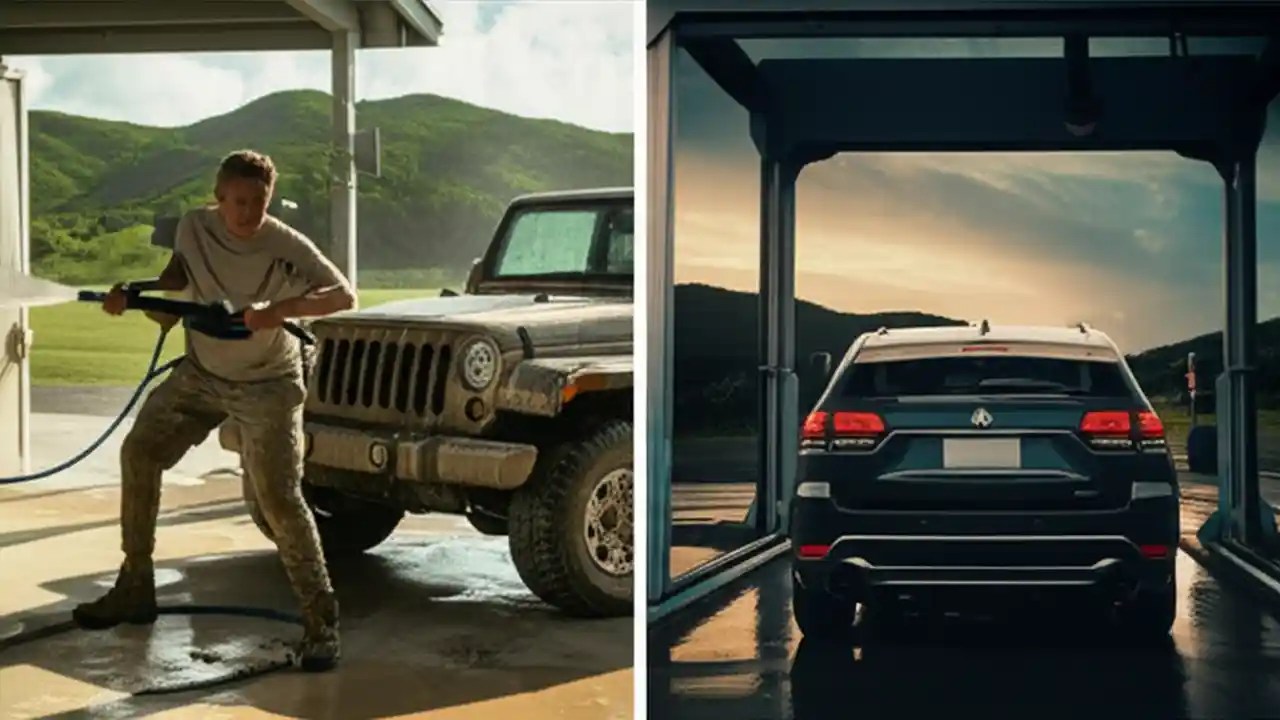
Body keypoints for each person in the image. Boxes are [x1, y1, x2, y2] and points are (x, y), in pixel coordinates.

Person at [71, 149, 356, 672]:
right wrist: (133, 296)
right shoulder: (193, 228)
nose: (248, 213)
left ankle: (322, 624)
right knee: (140, 452)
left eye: (259, 202)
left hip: (268, 383)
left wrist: (278, 311)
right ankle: (135, 586)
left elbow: (344, 295)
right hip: (202, 374)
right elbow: (173, 285)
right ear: (219, 197)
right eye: (239, 201)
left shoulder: (284, 243)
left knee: (278, 497)